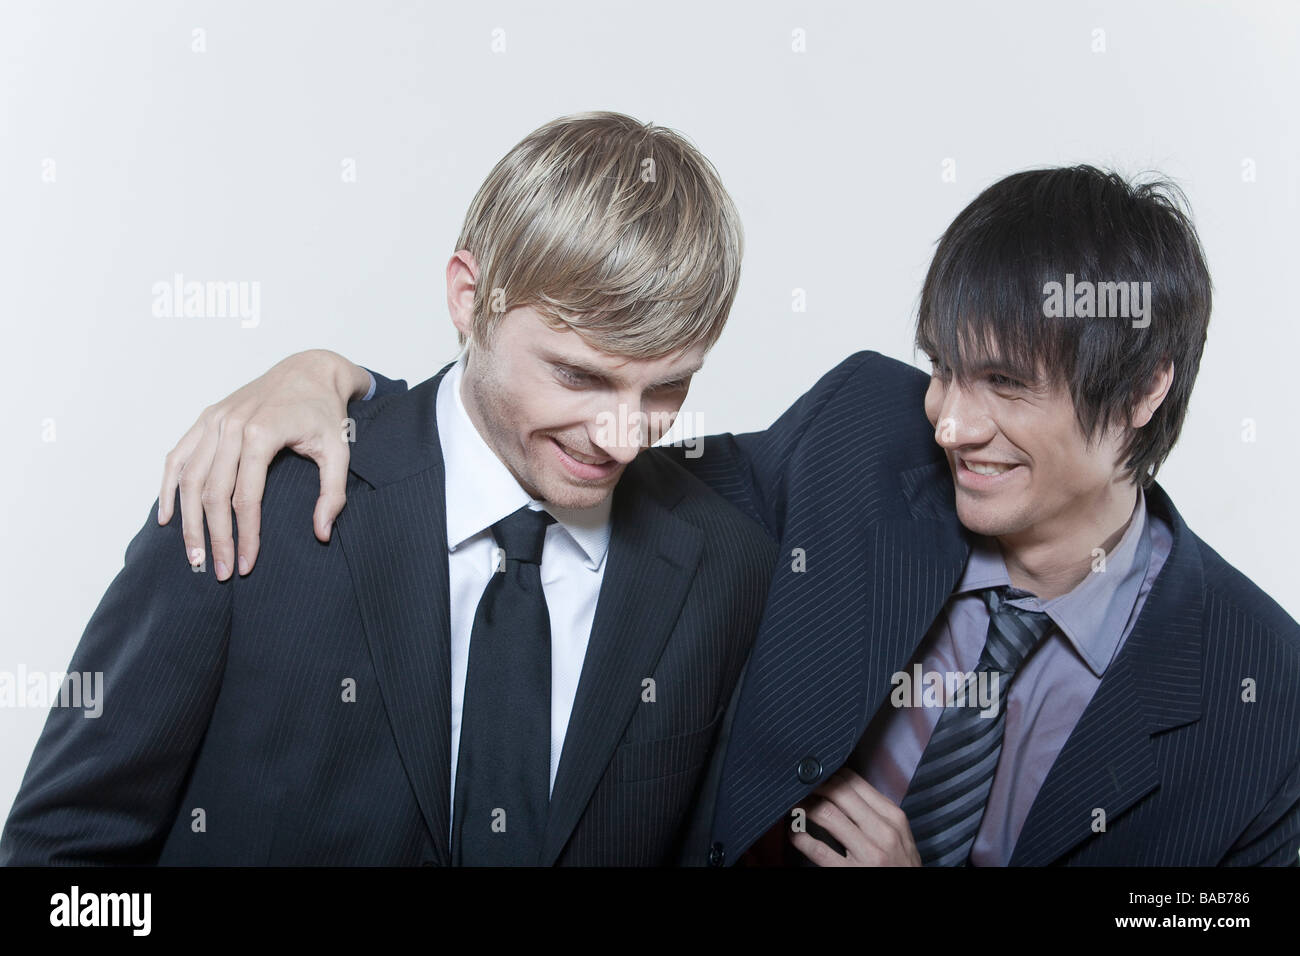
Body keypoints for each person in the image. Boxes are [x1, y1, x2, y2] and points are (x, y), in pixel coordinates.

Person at [150, 165, 1300, 867]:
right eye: (943, 367)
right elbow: (603, 462)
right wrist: (339, 381)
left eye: (1004, 385)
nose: (949, 421)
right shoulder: (864, 434)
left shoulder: (1265, 702)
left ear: (1142, 389)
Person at [0, 111, 777, 866]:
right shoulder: (251, 491)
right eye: (577, 375)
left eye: (667, 388)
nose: (621, 434)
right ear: (470, 299)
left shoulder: (725, 567)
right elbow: (61, 855)